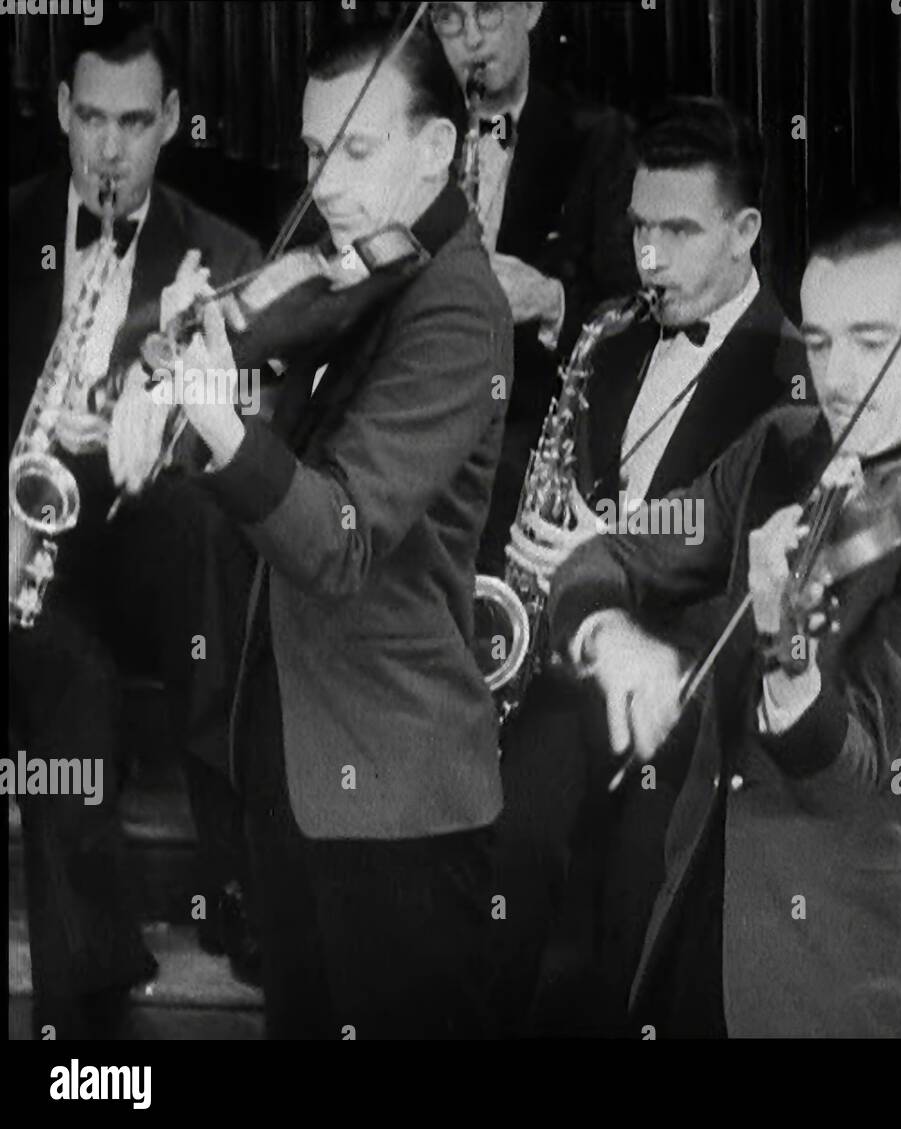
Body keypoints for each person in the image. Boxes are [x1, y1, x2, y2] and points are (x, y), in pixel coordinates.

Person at [110, 20, 513, 1039]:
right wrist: (161, 396)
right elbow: (267, 475)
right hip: (293, 763)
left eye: (357, 151)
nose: (323, 180)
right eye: (312, 147)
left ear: (439, 151)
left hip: (395, 796)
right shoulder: (360, 281)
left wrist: (211, 413)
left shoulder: (457, 308)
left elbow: (334, 535)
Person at [546, 215, 901, 1037]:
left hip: (839, 955)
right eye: (820, 341)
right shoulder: (780, 445)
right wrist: (608, 634)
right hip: (701, 903)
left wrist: (786, 638)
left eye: (870, 342)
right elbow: (622, 553)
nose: (838, 377)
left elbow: (857, 771)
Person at [493, 97, 809, 1035]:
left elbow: (752, 583)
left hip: (687, 699)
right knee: (503, 848)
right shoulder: (612, 334)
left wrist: (611, 549)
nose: (649, 259)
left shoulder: (791, 374)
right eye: (638, 228)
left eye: (679, 230)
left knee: (636, 906)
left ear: (746, 231)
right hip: (570, 663)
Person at [7, 11, 262, 1036]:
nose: (109, 150)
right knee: (61, 672)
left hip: (156, 534)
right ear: (64, 112)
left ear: (170, 124)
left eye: (135, 122)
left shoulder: (222, 252)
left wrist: (143, 427)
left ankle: (243, 885)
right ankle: (87, 982)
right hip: (37, 541)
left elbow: (247, 433)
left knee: (209, 537)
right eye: (93, 119)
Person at [431, 0, 641, 575]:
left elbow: (641, 304)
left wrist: (551, 299)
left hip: (530, 432)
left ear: (530, 9)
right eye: (450, 18)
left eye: (489, 11)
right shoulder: (413, 139)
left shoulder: (602, 141)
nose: (472, 38)